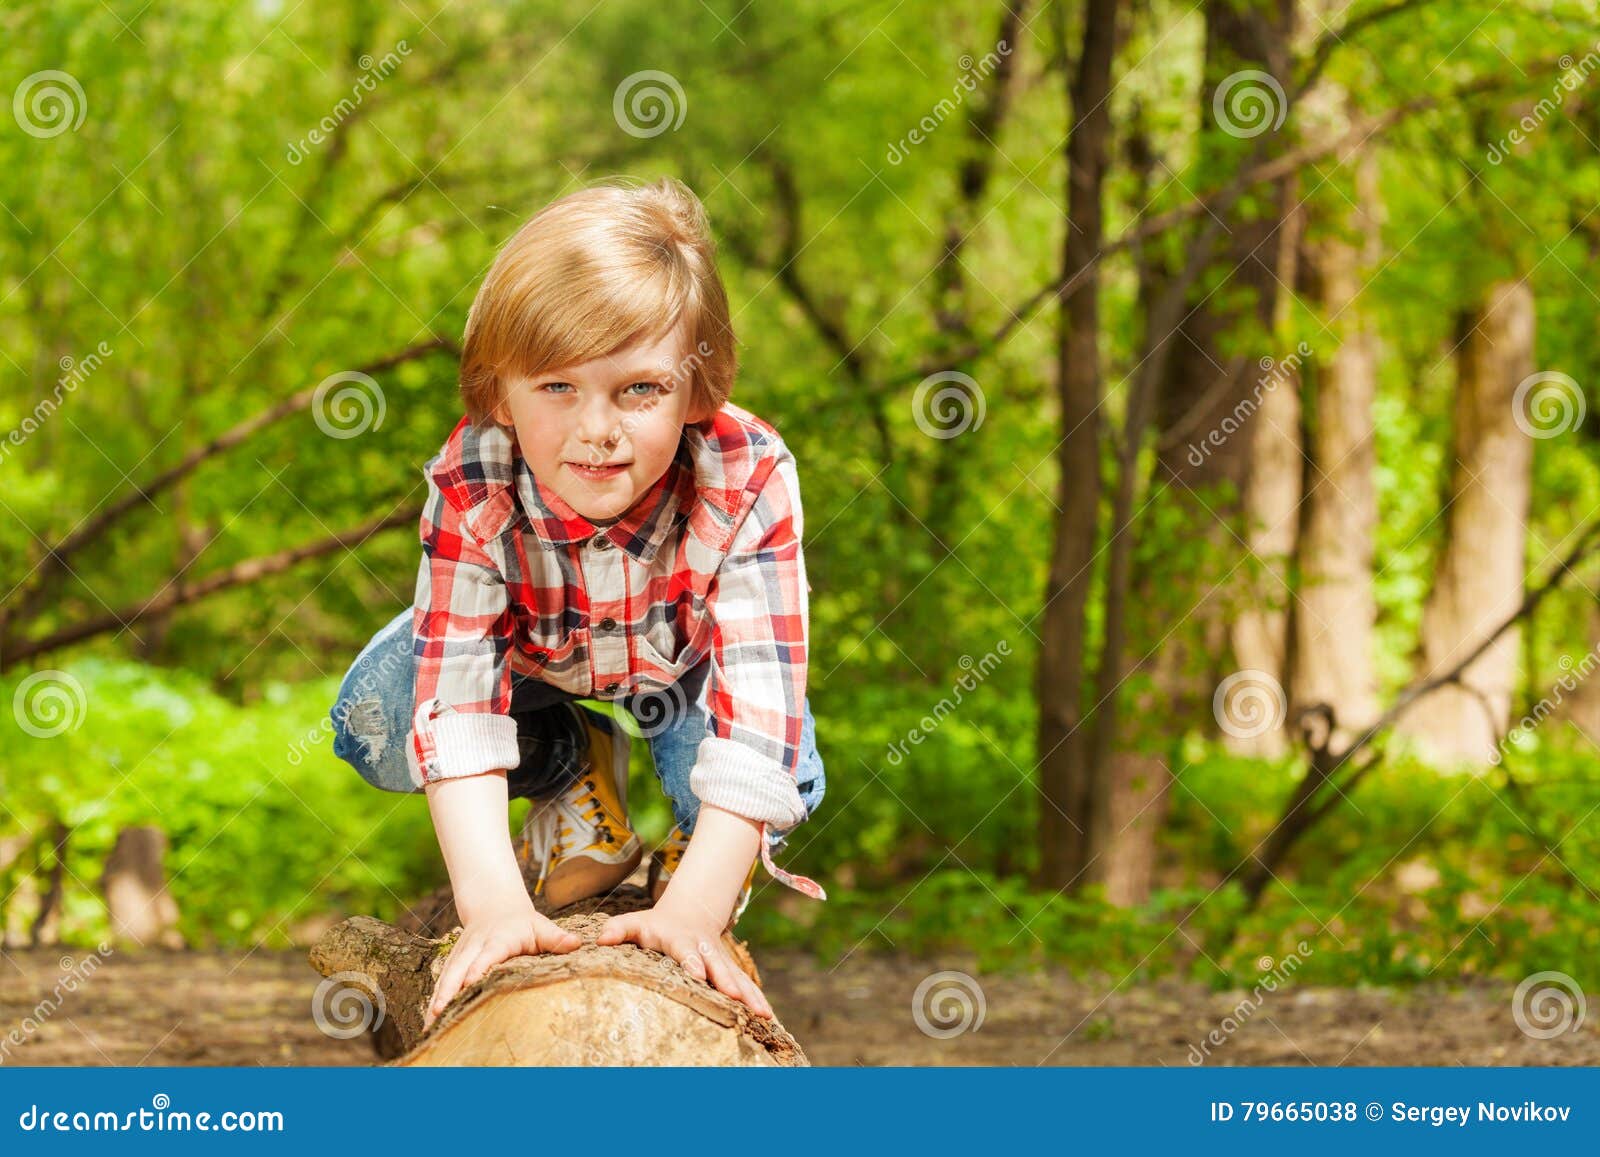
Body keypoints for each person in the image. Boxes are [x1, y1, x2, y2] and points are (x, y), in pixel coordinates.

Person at [328, 177, 826, 1027]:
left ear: (698, 390)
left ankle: (685, 860)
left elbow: (760, 719)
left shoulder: (748, 476)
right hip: (533, 667)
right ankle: (570, 765)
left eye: (640, 390)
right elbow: (454, 702)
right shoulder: (473, 477)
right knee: (377, 713)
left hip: (683, 666)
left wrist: (694, 913)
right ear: (498, 392)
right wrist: (492, 908)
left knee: (776, 781)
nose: (597, 428)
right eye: (557, 387)